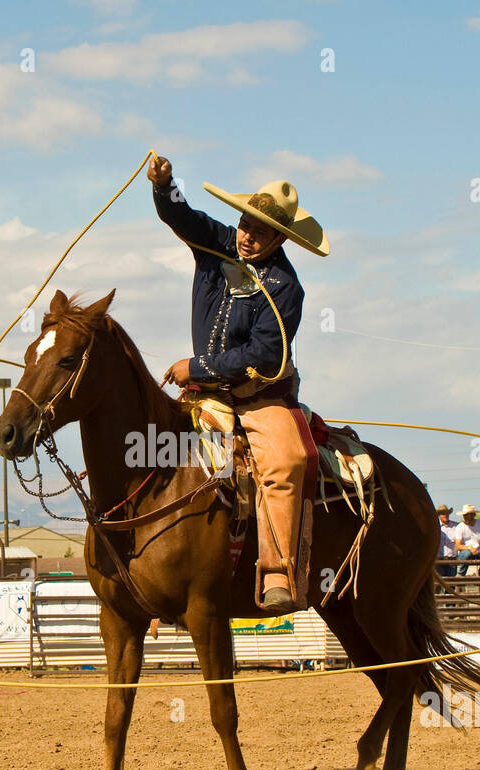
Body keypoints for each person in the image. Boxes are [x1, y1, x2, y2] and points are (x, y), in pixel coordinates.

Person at [149, 153, 328, 612]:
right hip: (205, 393)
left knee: (287, 460)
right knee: (148, 439)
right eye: (246, 224)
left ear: (278, 238)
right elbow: (180, 216)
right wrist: (164, 184)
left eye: (260, 231)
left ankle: (277, 574)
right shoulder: (218, 243)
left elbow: (264, 356)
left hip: (261, 396)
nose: (247, 236)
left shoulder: (286, 286)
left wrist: (198, 368)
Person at [454, 504, 480, 575]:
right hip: (466, 551)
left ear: (474, 515)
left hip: (479, 551)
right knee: (466, 554)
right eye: (466, 515)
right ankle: (461, 573)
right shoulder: (460, 527)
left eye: (470, 515)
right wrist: (469, 548)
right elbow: (458, 546)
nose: (468, 517)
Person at [436, 505, 457, 578]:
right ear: (439, 515)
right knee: (438, 583)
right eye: (443, 513)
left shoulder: (456, 526)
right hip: (438, 559)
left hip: (452, 558)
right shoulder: (435, 526)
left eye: (446, 513)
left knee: (451, 582)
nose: (445, 515)